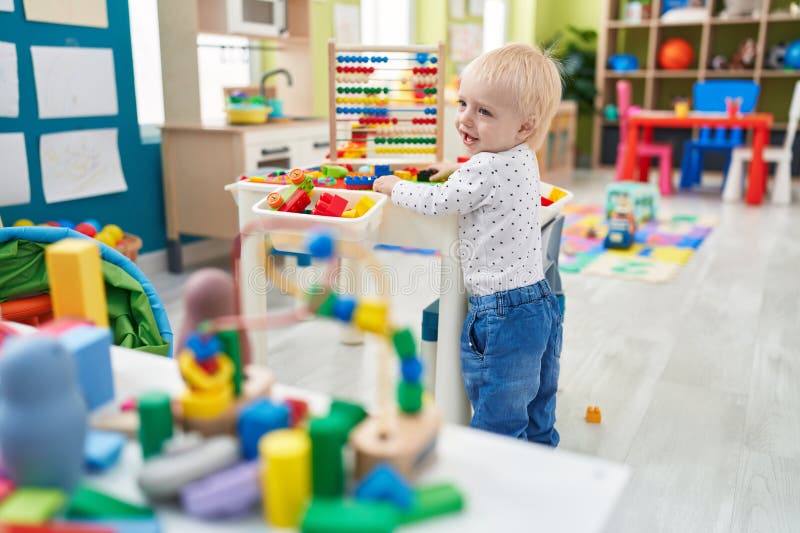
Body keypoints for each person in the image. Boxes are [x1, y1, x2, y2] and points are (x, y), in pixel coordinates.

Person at [373, 43, 563, 445]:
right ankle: (545, 460)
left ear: (524, 126)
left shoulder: (483, 168)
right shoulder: (523, 155)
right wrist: (456, 167)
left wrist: (395, 186)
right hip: (538, 301)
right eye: (463, 103)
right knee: (537, 404)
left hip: (500, 312)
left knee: (498, 416)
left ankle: (490, 477)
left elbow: (438, 201)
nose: (465, 119)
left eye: (484, 112)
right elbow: (481, 177)